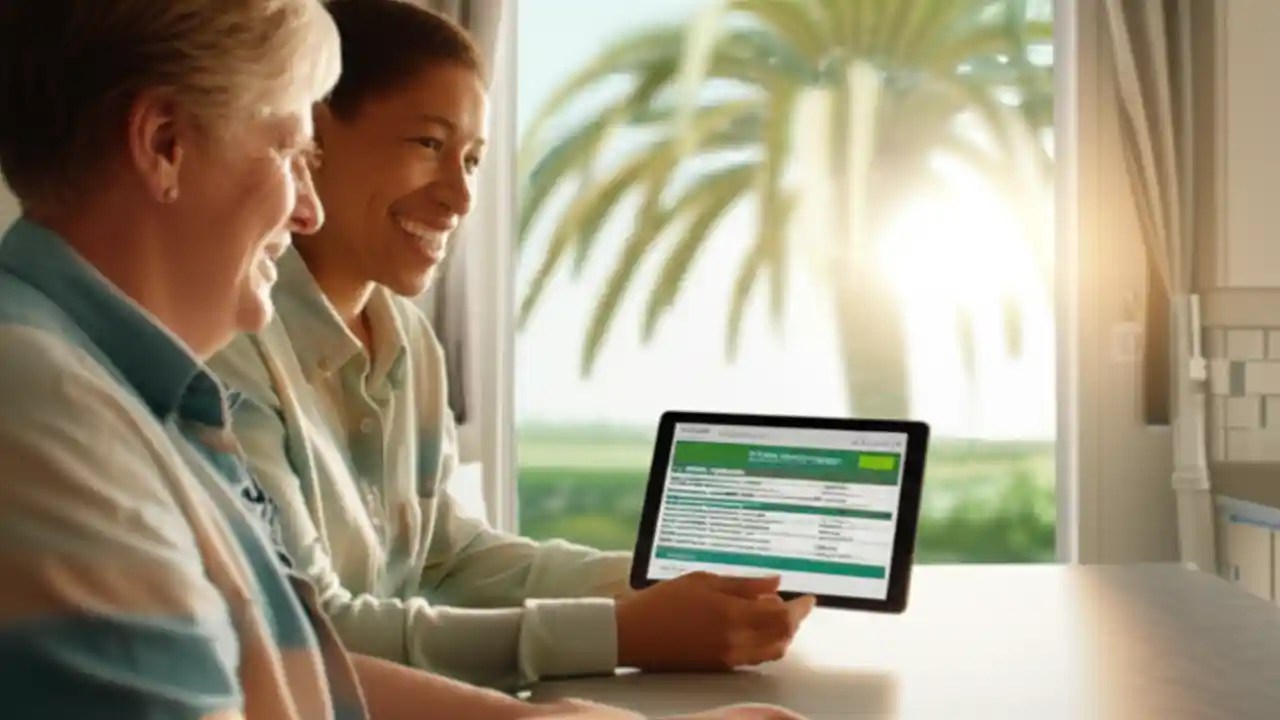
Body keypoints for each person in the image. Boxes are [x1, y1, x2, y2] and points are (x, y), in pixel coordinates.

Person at [0, 1, 805, 719]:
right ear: (166, 145)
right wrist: (618, 634)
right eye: (289, 151)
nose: (304, 205)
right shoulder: (46, 416)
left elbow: (293, 657)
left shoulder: (139, 393)